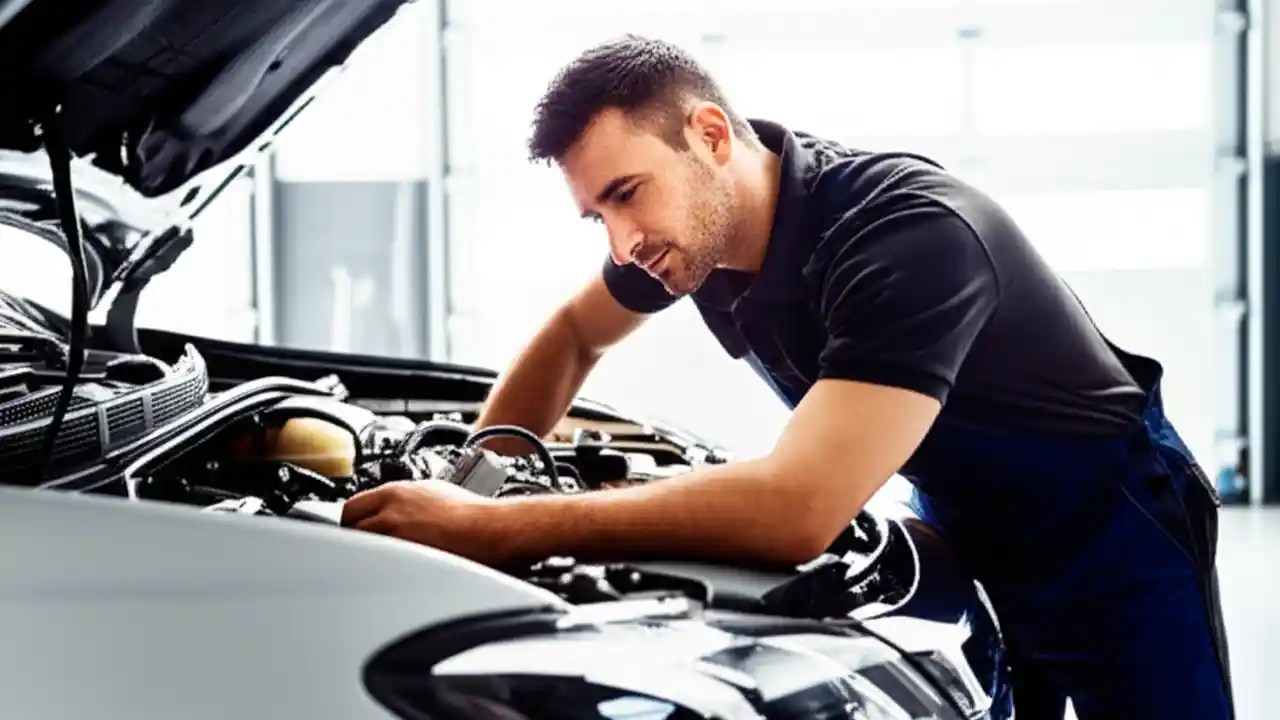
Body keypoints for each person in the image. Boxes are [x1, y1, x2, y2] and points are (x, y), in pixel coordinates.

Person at [341, 35, 1233, 718]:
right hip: (964, 514)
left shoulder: (909, 239)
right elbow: (574, 334)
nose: (622, 244)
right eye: (595, 216)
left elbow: (797, 507)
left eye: (626, 193)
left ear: (710, 134)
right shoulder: (685, 239)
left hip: (1111, 530)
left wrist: (495, 529)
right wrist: (487, 462)